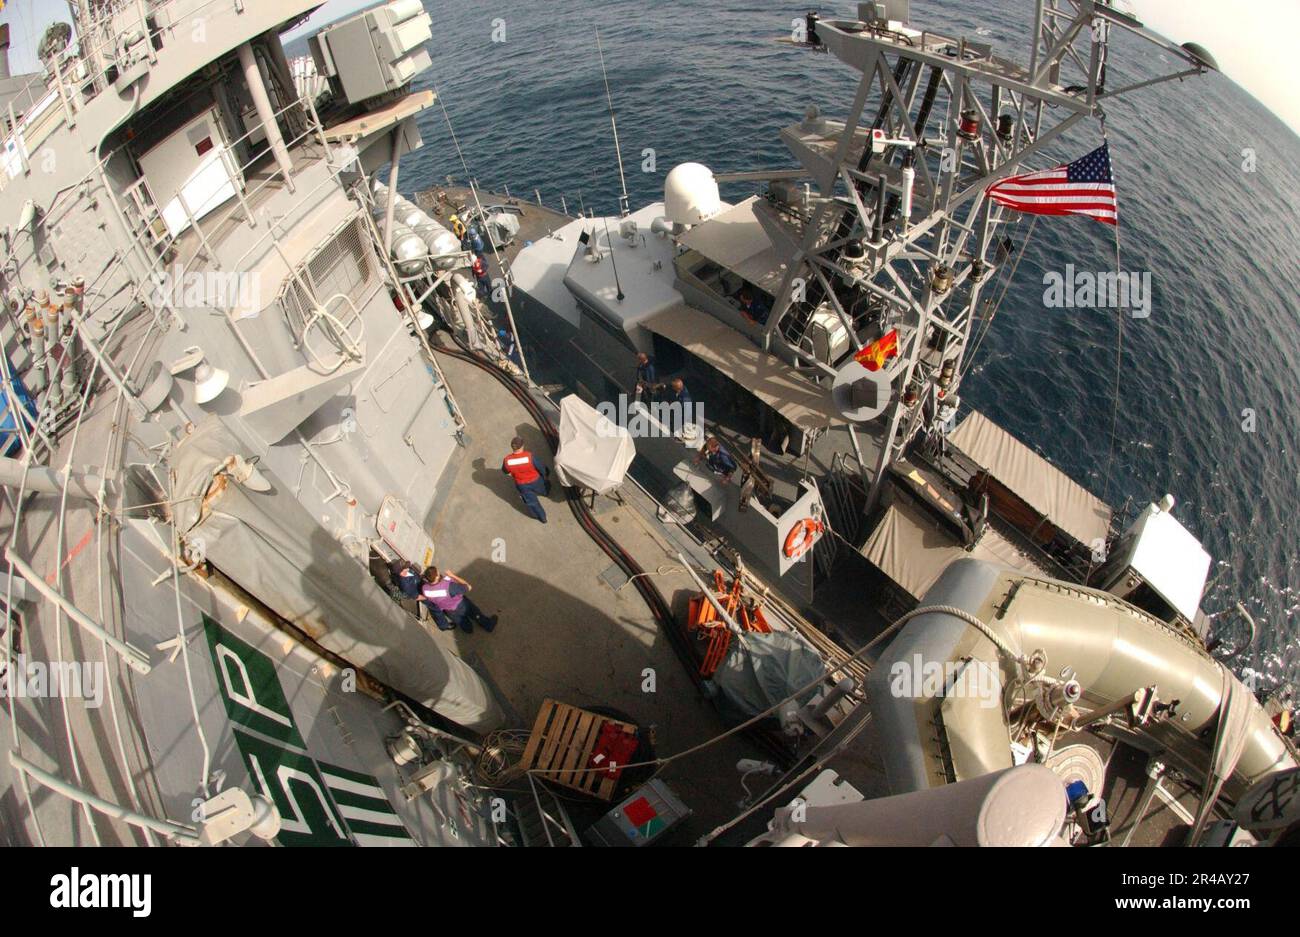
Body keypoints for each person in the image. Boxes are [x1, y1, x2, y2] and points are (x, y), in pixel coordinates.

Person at [420, 567, 498, 633]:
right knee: (475, 613)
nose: (439, 572)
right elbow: (468, 586)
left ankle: (469, 629)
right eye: (438, 572)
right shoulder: (449, 586)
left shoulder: (425, 589)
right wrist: (452, 575)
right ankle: (488, 625)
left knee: (462, 621)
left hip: (449, 610)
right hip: (461, 605)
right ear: (436, 577)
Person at [501, 435, 551, 523]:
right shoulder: (529, 456)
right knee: (543, 488)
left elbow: (505, 471)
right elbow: (540, 467)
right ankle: (546, 493)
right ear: (522, 446)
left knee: (532, 502)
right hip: (536, 480)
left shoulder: (507, 460)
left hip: (522, 485)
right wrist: (545, 474)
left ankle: (542, 518)